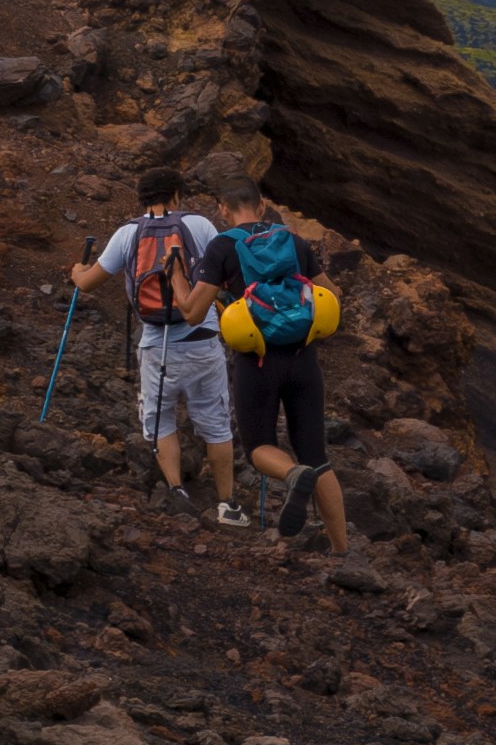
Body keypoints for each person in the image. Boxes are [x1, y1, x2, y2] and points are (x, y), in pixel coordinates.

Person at [68, 183, 235, 521]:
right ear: (176, 196)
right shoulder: (199, 225)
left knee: (160, 419)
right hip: (203, 339)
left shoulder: (128, 232)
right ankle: (227, 505)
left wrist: (77, 272)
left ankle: (176, 490)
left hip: (156, 344)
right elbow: (226, 273)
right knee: (216, 425)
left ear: (140, 198)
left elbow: (88, 283)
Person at [209, 178, 353, 558]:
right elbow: (333, 296)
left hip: (256, 362)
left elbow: (192, 312)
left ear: (223, 209)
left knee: (259, 446)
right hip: (303, 360)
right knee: (316, 456)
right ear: (262, 206)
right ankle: (342, 552)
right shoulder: (294, 242)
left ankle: (291, 475)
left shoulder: (222, 247)